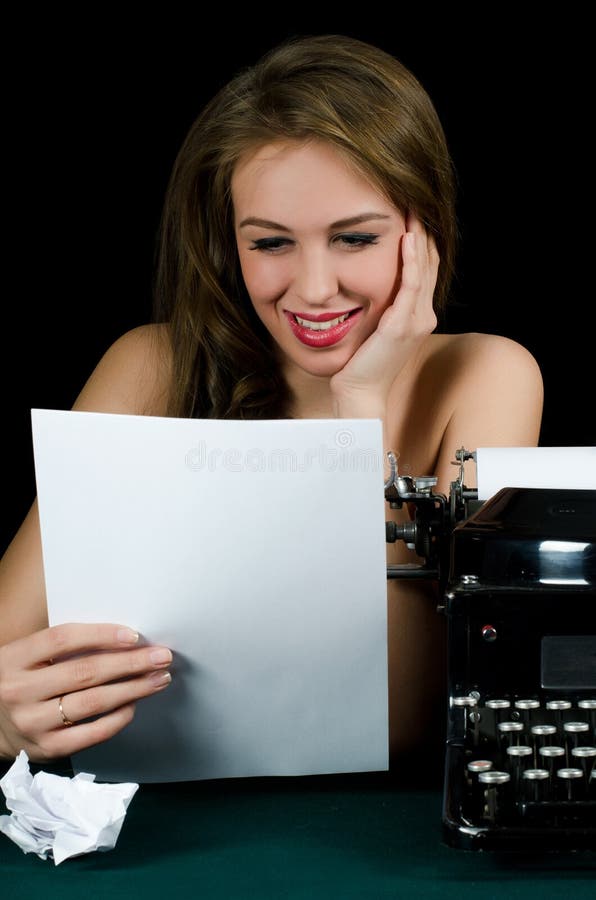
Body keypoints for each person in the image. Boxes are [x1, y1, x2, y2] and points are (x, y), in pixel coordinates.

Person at [0, 34, 543, 767]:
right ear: (229, 244)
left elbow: (409, 719)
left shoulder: (490, 374)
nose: (315, 289)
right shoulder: (148, 365)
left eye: (354, 238)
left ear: (423, 234)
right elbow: (6, 655)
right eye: (272, 244)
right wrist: (10, 720)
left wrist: (362, 404)